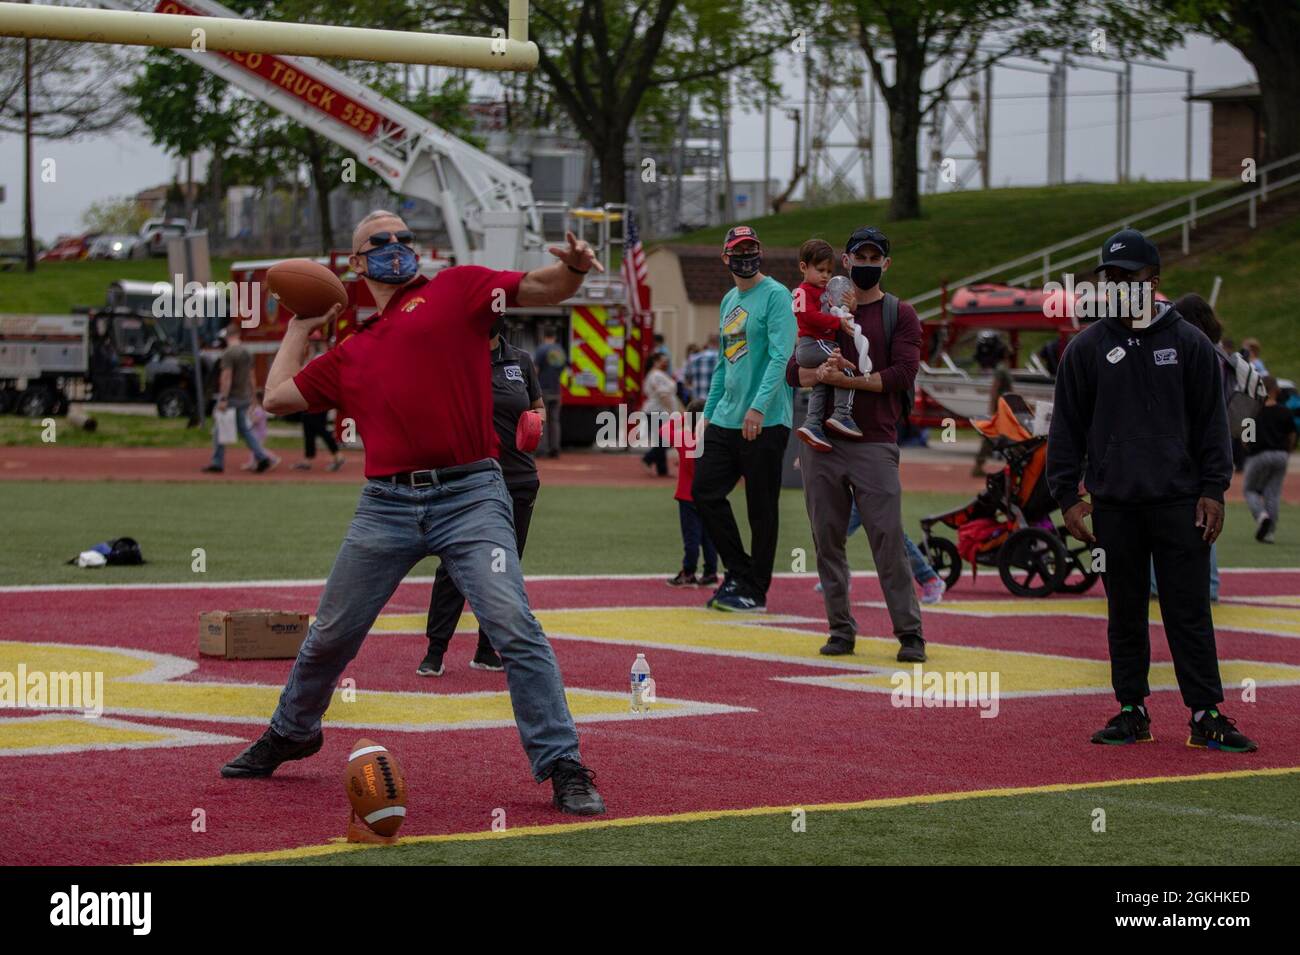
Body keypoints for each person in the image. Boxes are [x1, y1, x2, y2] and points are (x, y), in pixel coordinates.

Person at [218, 210, 607, 814]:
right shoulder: (355, 349)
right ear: (355, 262)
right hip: (386, 504)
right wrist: (302, 324)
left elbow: (539, 287)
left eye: (404, 238)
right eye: (381, 241)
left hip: (471, 492)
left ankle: (563, 763)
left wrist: (574, 268)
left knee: (514, 628)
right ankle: (292, 732)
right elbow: (277, 396)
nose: (396, 247)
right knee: (329, 635)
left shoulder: (459, 289)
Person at [1047, 228, 1255, 753]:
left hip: (1179, 501)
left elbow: (1212, 424)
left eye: (1128, 277)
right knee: (1124, 611)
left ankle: (1207, 713)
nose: (1116, 285)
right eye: (1109, 277)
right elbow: (1066, 427)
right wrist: (1067, 496)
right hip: (1115, 504)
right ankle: (1131, 710)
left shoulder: (1190, 344)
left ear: (1153, 281)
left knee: (1188, 610)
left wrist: (1214, 489)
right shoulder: (1087, 349)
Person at [786, 226, 926, 661]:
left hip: (874, 443)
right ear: (845, 262)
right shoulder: (821, 306)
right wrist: (820, 376)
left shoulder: (898, 314)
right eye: (858, 257)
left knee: (887, 538)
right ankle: (840, 628)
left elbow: (903, 375)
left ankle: (910, 633)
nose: (866, 264)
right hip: (823, 444)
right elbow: (796, 372)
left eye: (875, 258)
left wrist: (850, 381)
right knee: (826, 540)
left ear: (886, 263)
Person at [418, 327, 546, 676]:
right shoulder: (454, 362)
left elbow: (537, 406)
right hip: (469, 481)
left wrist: (536, 424)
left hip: (519, 479)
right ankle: (435, 650)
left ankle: (487, 649)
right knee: (454, 566)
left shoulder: (520, 361)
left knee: (504, 568)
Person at [693, 225, 795, 613]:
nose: (746, 255)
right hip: (726, 418)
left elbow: (781, 356)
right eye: (738, 250)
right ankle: (739, 571)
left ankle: (756, 590)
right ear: (726, 257)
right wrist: (709, 413)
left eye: (752, 248)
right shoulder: (728, 300)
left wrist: (757, 407)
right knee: (704, 490)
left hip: (766, 421)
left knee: (761, 506)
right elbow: (724, 361)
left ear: (760, 252)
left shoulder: (776, 296)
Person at [792, 238, 862, 451]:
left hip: (818, 345)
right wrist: (838, 323)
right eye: (820, 270)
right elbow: (810, 317)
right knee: (845, 371)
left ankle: (812, 424)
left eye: (829, 272)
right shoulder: (800, 292)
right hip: (812, 344)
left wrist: (851, 308)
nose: (825, 276)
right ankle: (842, 414)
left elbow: (837, 311)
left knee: (821, 383)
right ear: (804, 267)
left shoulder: (824, 292)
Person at [814, 500, 945, 605]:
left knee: (892, 536)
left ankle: (930, 579)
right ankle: (838, 577)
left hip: (876, 486)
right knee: (833, 531)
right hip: (859, 486)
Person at [201, 326, 279, 474]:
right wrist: (253, 395)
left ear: (228, 336)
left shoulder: (229, 354)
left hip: (232, 396)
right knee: (244, 429)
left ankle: (217, 462)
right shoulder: (246, 352)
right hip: (243, 397)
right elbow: (251, 376)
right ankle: (262, 457)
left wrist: (223, 397)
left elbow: (226, 377)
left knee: (220, 428)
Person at [665, 399, 718, 587]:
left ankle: (688, 572)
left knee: (691, 537)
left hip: (687, 495)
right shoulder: (715, 441)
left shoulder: (685, 440)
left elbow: (664, 430)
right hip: (710, 495)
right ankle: (711, 572)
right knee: (709, 537)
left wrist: (682, 417)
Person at [1242, 375, 1296, 544]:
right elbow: (1292, 435)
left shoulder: (1252, 411)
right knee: (1272, 493)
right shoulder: (1284, 411)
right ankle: (1270, 533)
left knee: (1249, 490)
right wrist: (1287, 450)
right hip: (1280, 455)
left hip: (1258, 455)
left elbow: (1245, 438)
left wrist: (1249, 449)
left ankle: (1261, 515)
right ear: (1277, 391)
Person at [292, 339, 346, 472]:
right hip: (312, 398)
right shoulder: (315, 357)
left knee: (317, 426)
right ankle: (308, 459)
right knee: (308, 425)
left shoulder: (319, 357)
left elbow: (305, 376)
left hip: (319, 398)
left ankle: (338, 455)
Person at [971, 330, 1013, 476]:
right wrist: (992, 410)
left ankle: (979, 465)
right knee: (992, 438)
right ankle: (978, 465)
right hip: (1000, 409)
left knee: (995, 438)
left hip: (1004, 408)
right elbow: (995, 389)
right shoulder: (1001, 369)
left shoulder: (1003, 368)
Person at [641, 352, 677, 477]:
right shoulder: (656, 375)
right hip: (657, 411)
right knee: (664, 441)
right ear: (655, 361)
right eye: (663, 360)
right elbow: (662, 394)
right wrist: (673, 411)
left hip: (660, 411)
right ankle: (648, 458)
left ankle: (662, 470)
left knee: (662, 441)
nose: (666, 363)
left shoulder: (659, 375)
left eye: (667, 361)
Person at [533, 327, 566, 458]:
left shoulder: (541, 350)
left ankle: (542, 449)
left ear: (544, 336)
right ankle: (555, 448)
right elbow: (563, 368)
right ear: (555, 336)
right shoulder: (560, 350)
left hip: (543, 389)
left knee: (543, 420)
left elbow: (535, 370)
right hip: (556, 390)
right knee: (555, 420)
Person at [682, 334, 719, 404]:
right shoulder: (721, 359)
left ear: (708, 342)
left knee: (695, 415)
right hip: (715, 404)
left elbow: (686, 382)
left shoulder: (692, 359)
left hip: (697, 402)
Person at [241, 389, 270, 471]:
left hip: (259, 434)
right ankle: (252, 464)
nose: (251, 400)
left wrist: (249, 415)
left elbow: (255, 421)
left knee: (257, 449)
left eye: (253, 398)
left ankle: (273, 459)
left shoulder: (259, 410)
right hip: (258, 433)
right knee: (254, 449)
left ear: (257, 399)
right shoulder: (259, 409)